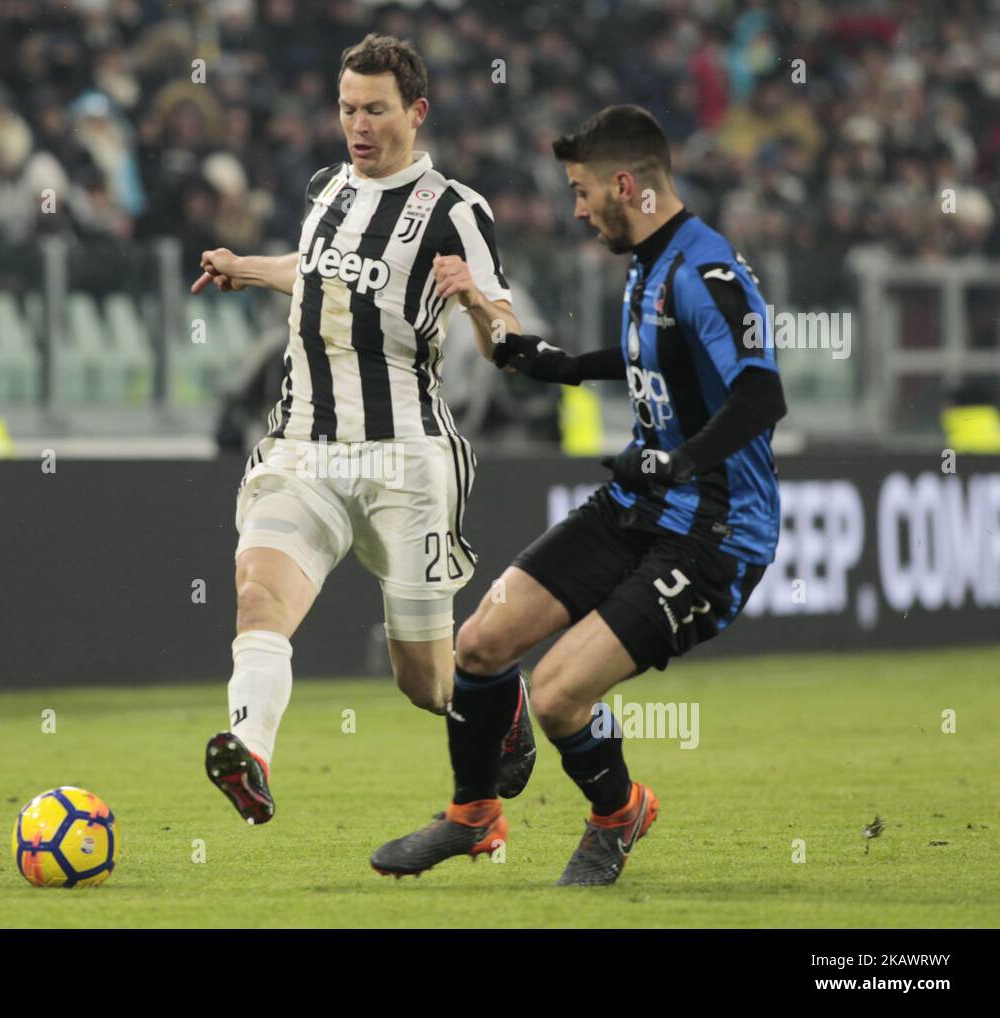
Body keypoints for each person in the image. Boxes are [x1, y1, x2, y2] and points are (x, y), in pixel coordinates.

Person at [372, 105, 787, 885]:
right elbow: (649, 361)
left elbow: (761, 397)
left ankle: (618, 812)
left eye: (581, 190)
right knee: (480, 646)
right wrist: (550, 362)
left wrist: (680, 462)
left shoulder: (708, 273)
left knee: (558, 697)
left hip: (715, 534)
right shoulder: (650, 265)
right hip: (638, 506)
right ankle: (472, 816)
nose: (576, 208)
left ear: (624, 184)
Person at [191, 34, 535, 824]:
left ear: (415, 112)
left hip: (405, 462)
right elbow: (318, 272)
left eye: (376, 109)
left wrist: (476, 302)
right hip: (303, 448)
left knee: (425, 683)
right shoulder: (329, 190)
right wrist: (249, 266)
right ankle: (250, 751)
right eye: (348, 108)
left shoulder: (456, 210)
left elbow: (509, 339)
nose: (359, 124)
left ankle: (502, 701)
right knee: (257, 599)